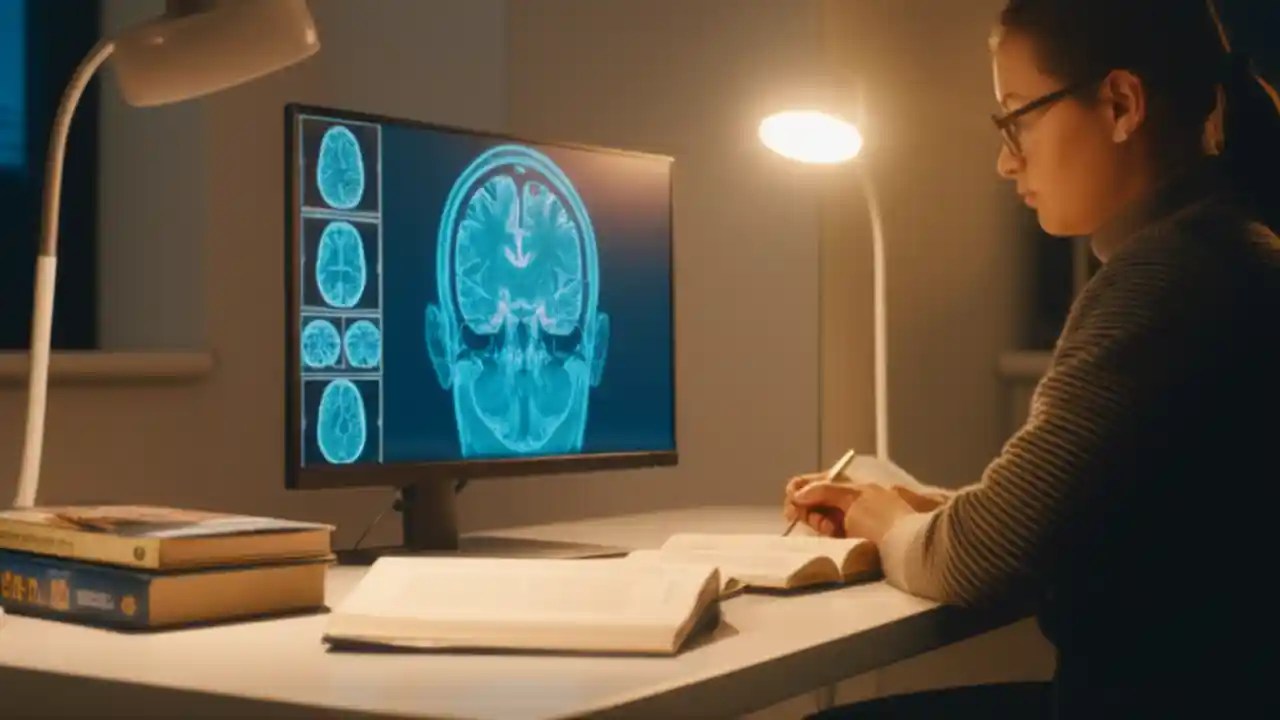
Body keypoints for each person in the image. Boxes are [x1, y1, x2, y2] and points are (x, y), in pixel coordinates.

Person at [783, 0, 1280, 717]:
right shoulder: (1229, 249)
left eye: (1017, 115)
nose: (1005, 158)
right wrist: (923, 506)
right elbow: (1097, 519)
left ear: (1119, 103)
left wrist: (883, 522)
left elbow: (974, 562)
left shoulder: (1167, 279)